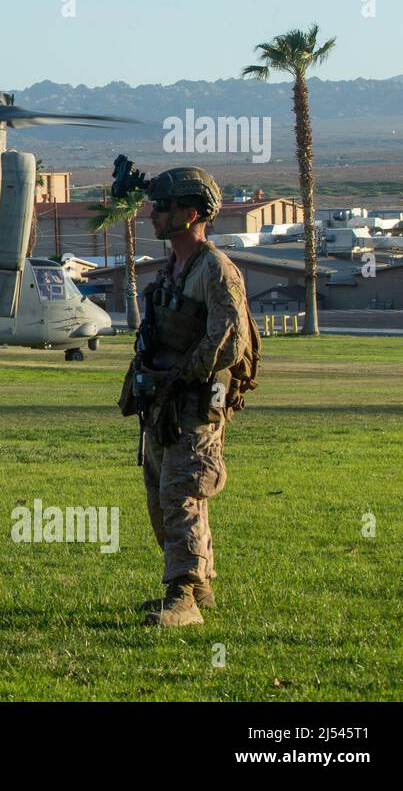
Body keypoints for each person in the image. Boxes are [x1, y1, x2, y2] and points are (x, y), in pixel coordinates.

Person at [130, 167, 254, 627]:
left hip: (195, 403)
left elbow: (229, 341)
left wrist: (178, 378)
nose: (153, 214)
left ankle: (182, 596)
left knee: (183, 492)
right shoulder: (174, 268)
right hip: (164, 402)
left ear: (192, 213)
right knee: (162, 495)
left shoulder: (216, 270)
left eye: (163, 207)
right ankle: (197, 587)